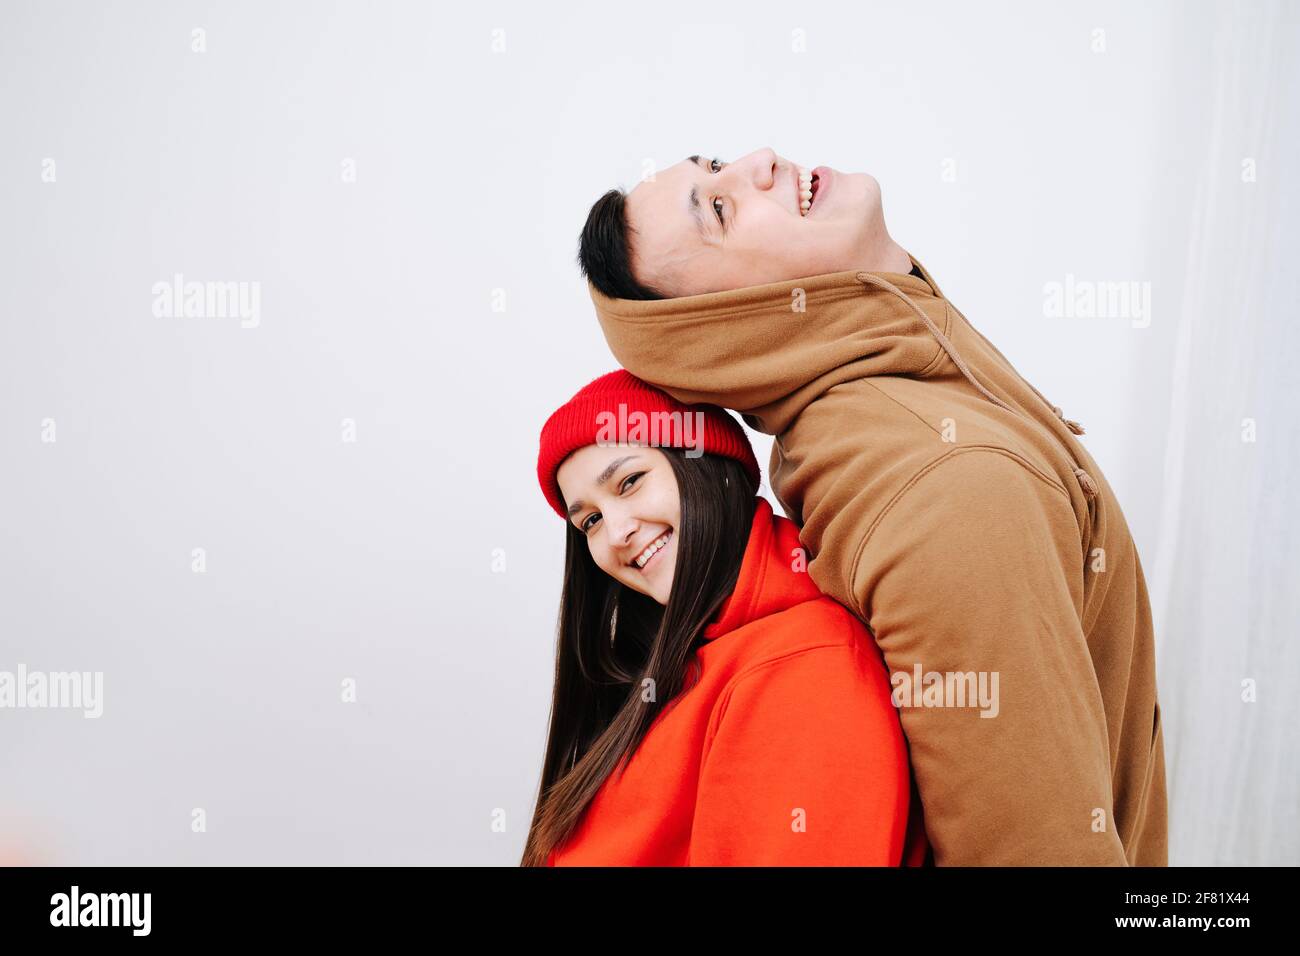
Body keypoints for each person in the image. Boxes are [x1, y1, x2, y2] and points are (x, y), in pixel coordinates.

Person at [574, 147, 1168, 866]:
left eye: (720, 166)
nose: (760, 163)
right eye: (720, 211)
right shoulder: (937, 488)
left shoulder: (905, 403)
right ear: (720, 322)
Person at [522, 369, 930, 867]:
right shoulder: (688, 658)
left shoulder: (802, 663)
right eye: (590, 520)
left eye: (630, 482)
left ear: (703, 462)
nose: (616, 533)